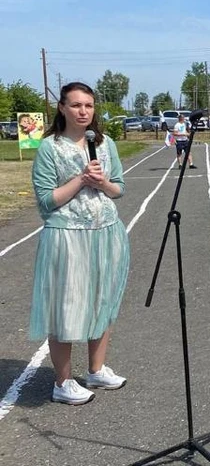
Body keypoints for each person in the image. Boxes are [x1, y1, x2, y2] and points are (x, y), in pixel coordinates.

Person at [31, 82, 130, 405]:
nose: (83, 111)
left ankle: (96, 369)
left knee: (103, 303)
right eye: (76, 105)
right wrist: (80, 180)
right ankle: (62, 382)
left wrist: (102, 182)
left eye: (88, 105)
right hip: (67, 236)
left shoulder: (105, 144)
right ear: (62, 108)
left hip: (106, 231)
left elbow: (119, 189)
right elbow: (47, 202)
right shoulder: (51, 148)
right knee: (66, 308)